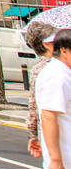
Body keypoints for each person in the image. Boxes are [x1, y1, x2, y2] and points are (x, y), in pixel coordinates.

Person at [35, 29, 71, 169]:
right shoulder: (56, 77)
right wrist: (56, 162)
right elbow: (49, 117)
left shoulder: (65, 73)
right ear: (63, 50)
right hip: (66, 162)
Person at [25, 21, 57, 160]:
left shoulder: (37, 70)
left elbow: (33, 107)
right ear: (47, 44)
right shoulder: (54, 68)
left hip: (49, 136)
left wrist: (33, 135)